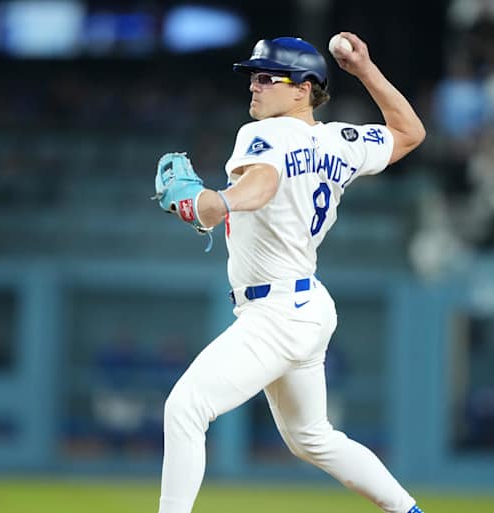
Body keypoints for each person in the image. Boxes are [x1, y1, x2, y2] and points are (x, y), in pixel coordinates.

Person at [153, 34, 426, 513]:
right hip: (309, 305)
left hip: (276, 312)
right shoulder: (340, 140)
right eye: (252, 77)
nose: (254, 86)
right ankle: (409, 511)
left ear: (302, 89)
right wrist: (365, 70)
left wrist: (217, 203)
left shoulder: (267, 134)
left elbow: (263, 182)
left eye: (266, 77)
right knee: (311, 437)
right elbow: (408, 134)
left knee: (185, 409)